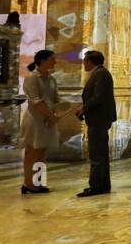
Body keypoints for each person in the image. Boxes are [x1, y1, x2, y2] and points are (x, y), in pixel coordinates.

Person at [20, 50, 67, 194]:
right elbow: (35, 101)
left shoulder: (51, 79)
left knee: (43, 152)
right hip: (35, 120)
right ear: (41, 60)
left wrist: (55, 113)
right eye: (52, 59)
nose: (55, 62)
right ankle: (28, 184)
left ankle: (38, 182)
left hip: (48, 119)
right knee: (32, 152)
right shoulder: (32, 78)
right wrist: (50, 115)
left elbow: (55, 100)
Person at [76, 49, 116, 197]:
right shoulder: (100, 73)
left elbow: (98, 97)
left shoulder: (101, 74)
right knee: (100, 154)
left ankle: (96, 186)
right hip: (99, 118)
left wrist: (84, 108)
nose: (83, 64)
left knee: (96, 154)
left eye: (85, 61)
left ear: (90, 61)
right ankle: (103, 184)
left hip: (99, 119)